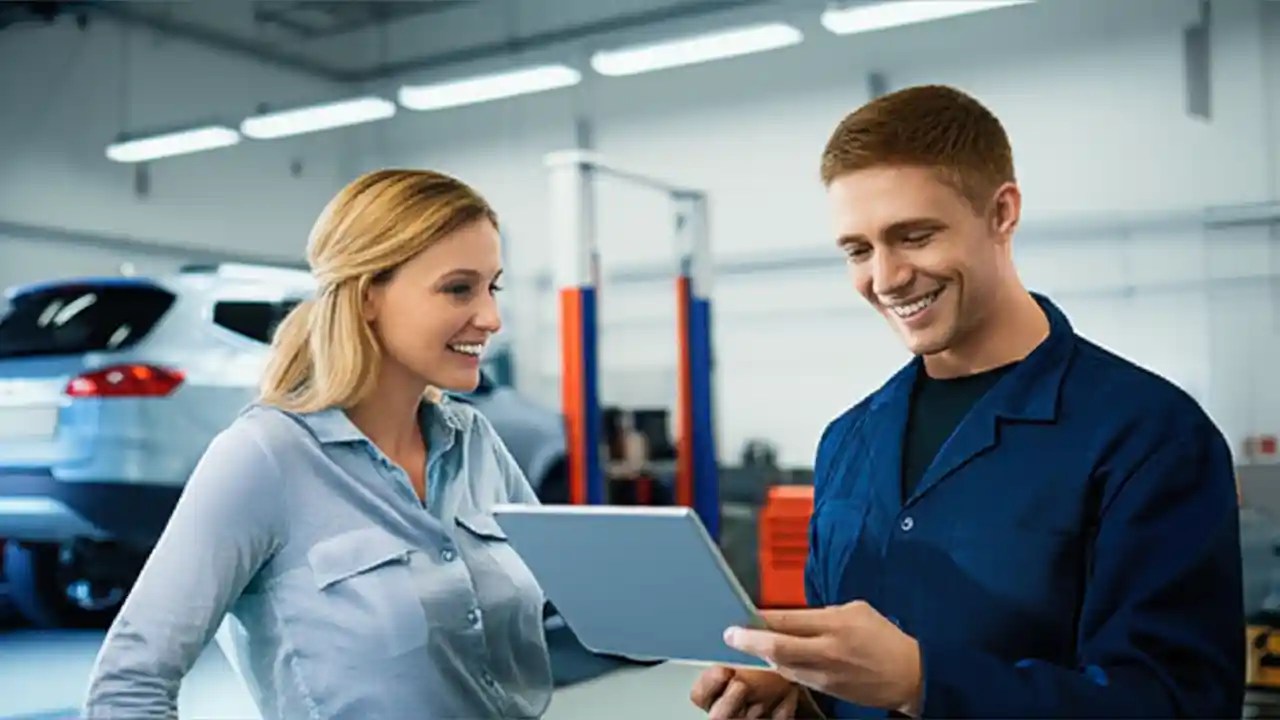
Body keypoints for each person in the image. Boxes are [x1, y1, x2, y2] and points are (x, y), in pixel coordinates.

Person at [691, 84, 1244, 718]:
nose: (886, 278)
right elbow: (845, 687)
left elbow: (1176, 705)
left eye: (915, 236)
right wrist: (796, 694)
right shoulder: (846, 441)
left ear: (1002, 213)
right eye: (858, 250)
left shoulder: (1149, 436)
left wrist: (922, 682)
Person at [83, 169, 554, 719]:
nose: (491, 318)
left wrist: (675, 640)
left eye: (491, 286)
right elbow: (128, 686)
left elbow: (581, 603)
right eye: (458, 288)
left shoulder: (476, 444)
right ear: (367, 295)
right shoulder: (265, 457)